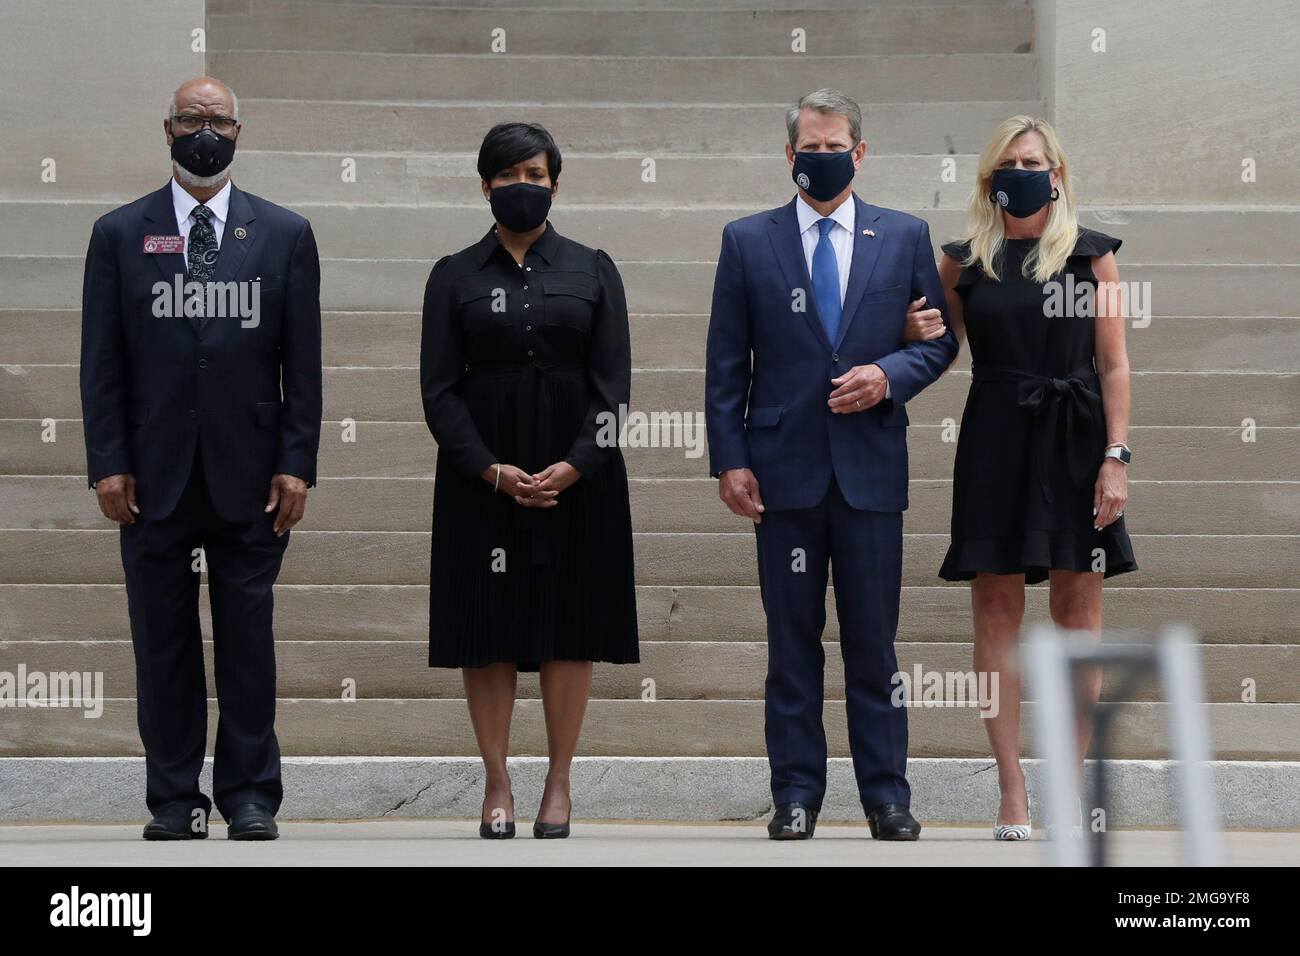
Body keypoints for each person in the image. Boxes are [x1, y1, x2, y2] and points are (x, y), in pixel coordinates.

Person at [705, 89, 958, 841]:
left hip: (871, 472)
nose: (823, 157)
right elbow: (725, 362)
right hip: (782, 474)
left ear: (861, 149)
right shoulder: (748, 240)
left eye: (835, 144)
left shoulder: (904, 235)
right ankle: (795, 796)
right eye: (809, 147)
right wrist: (729, 459)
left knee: (874, 643)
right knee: (791, 645)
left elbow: (938, 340)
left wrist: (889, 374)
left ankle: (887, 796)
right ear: (790, 156)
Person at [79, 77, 322, 841]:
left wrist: (298, 462)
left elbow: (303, 364)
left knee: (249, 641)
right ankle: (174, 798)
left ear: (239, 132)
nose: (203, 130)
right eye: (191, 118)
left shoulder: (283, 234)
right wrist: (107, 460)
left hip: (251, 476)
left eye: (216, 119)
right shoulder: (121, 234)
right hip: (151, 477)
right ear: (168, 128)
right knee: (163, 643)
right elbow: (102, 360)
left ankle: (250, 794)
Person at [420, 122, 638, 840]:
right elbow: (440, 390)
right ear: (484, 184)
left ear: (555, 182)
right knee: (485, 631)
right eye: (508, 176)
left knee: (568, 628)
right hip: (480, 478)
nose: (523, 187)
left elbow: (613, 390)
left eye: (536, 175)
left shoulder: (593, 268)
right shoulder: (453, 274)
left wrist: (574, 466)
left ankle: (559, 783)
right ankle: (496, 781)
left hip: (580, 477)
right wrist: (490, 469)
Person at [934, 115, 1137, 841]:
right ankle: (1012, 793)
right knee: (996, 614)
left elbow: (1113, 364)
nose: (1024, 170)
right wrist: (904, 334)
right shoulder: (963, 261)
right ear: (991, 177)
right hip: (994, 440)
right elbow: (932, 345)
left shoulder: (1093, 257)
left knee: (1079, 617)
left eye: (1036, 160)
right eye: (1010, 161)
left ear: (1057, 173)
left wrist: (1117, 457)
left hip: (1076, 441)